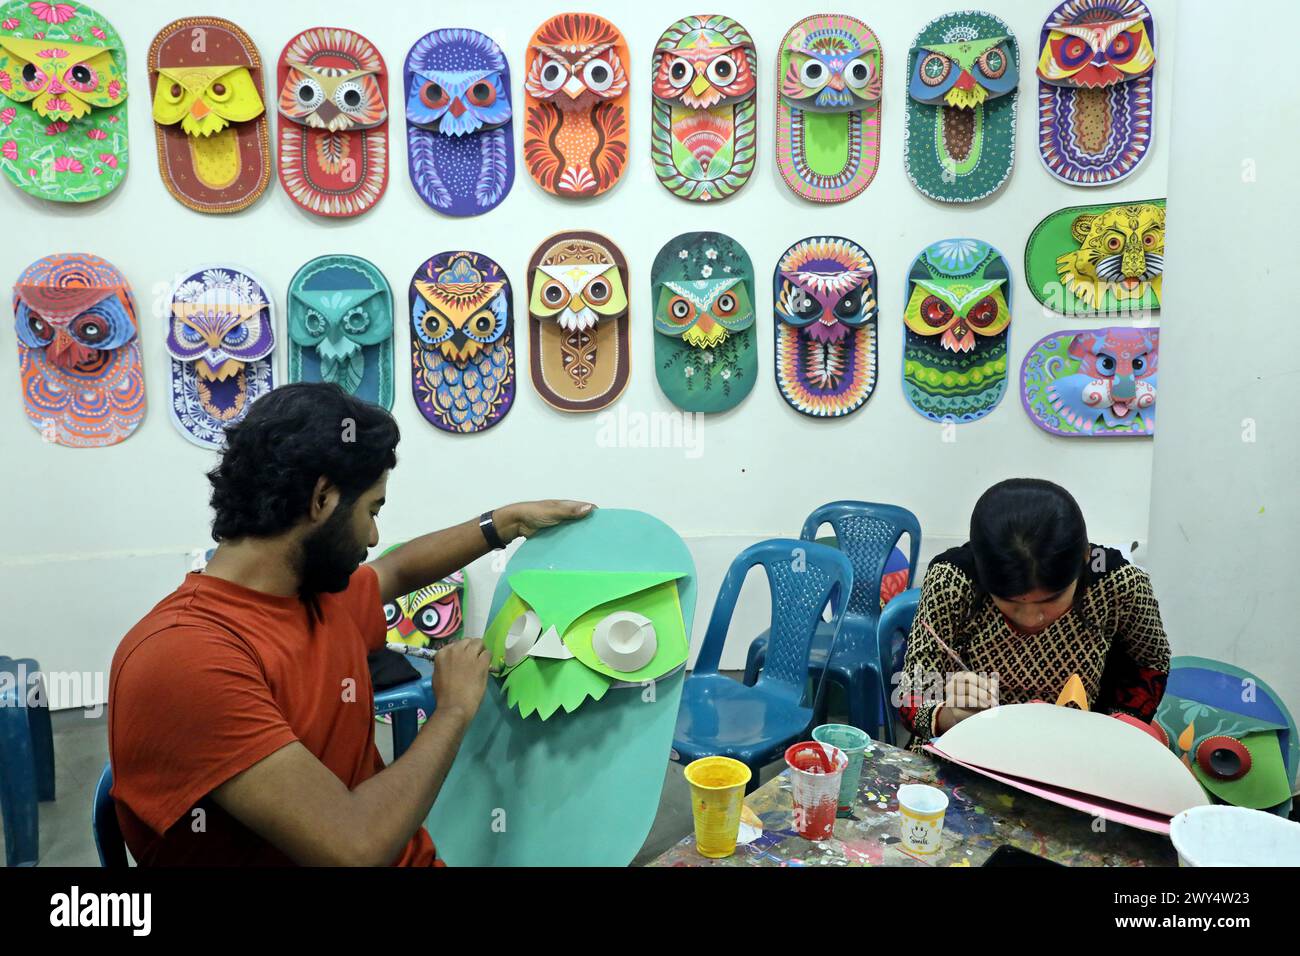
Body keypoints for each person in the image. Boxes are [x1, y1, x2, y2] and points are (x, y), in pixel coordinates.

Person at [108, 383, 593, 865]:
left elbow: (396, 571)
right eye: (371, 510)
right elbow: (354, 848)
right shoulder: (184, 658)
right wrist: (453, 710)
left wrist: (501, 524)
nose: (375, 534)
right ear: (322, 498)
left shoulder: (312, 592)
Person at [898, 478, 1170, 749]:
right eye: (1010, 602)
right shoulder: (953, 578)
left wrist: (1112, 731)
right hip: (967, 748)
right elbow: (911, 691)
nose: (1031, 618)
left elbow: (1150, 663)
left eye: (1051, 600)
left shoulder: (1117, 582)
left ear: (1085, 559)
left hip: (1078, 752)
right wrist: (950, 716)